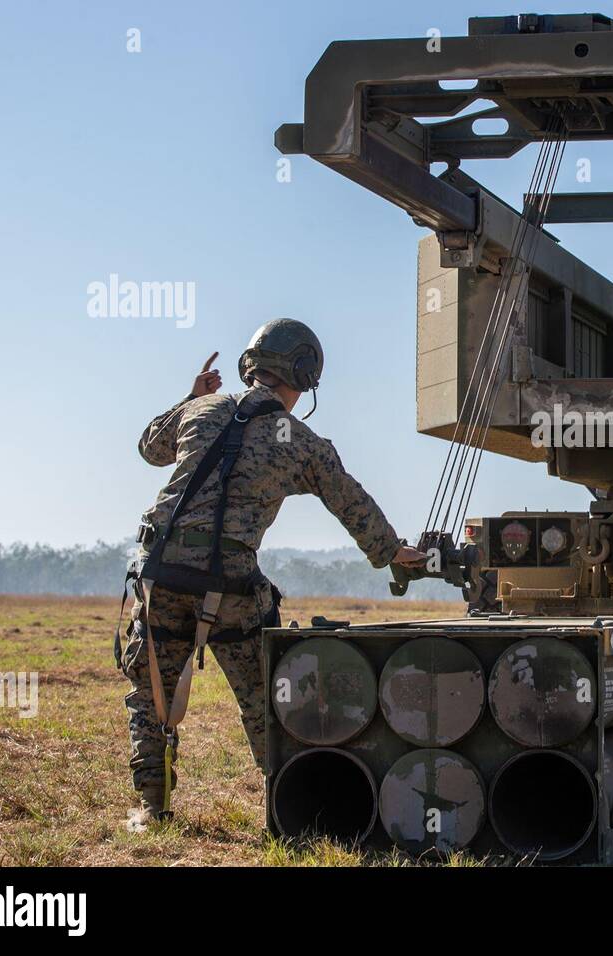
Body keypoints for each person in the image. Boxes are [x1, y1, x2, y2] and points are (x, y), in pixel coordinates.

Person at [119, 318, 425, 830]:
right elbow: (350, 502)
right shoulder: (300, 441)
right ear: (304, 375)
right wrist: (393, 552)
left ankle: (152, 808)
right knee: (267, 699)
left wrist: (191, 396)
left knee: (151, 693)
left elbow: (151, 448)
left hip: (161, 574)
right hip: (232, 587)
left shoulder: (200, 410)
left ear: (250, 365)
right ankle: (289, 808)